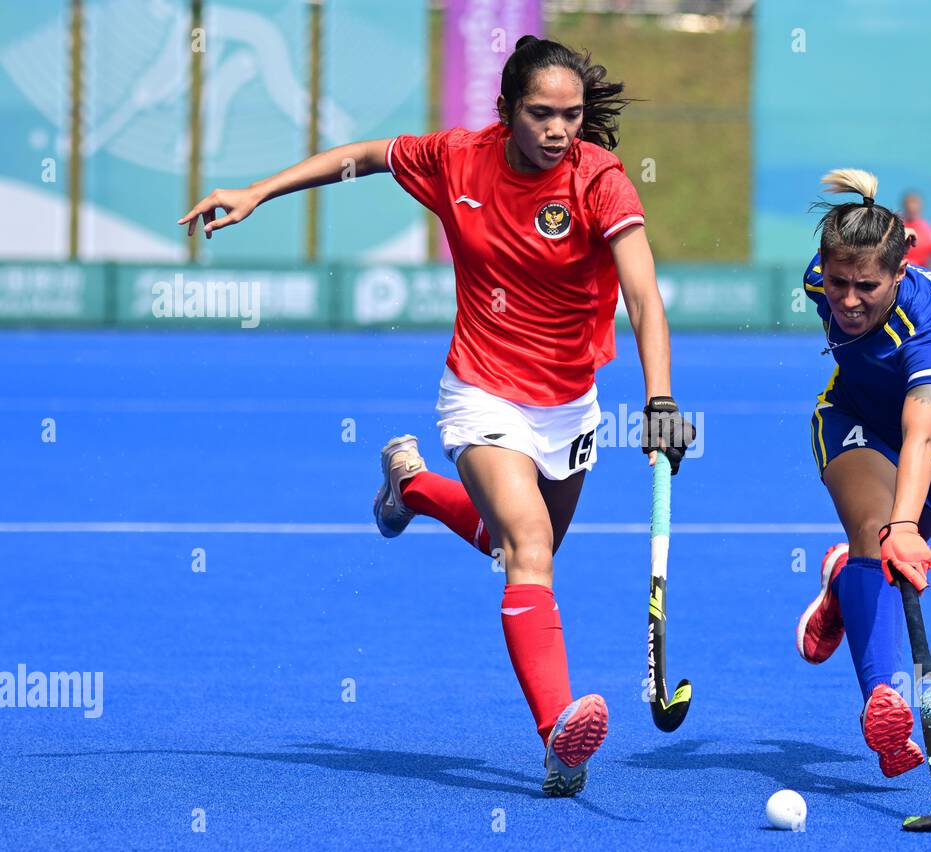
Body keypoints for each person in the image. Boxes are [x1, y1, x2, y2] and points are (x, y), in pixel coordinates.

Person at [178, 36, 694, 798]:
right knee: (528, 548)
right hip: (480, 391)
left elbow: (645, 296)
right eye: (541, 114)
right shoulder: (458, 160)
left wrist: (659, 399)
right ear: (505, 110)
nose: (559, 131)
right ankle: (559, 735)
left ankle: (410, 487)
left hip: (569, 403)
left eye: (572, 115)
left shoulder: (600, 181)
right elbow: (362, 157)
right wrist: (259, 191)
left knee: (514, 543)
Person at [794, 169, 931, 778]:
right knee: (875, 536)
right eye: (839, 282)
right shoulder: (819, 279)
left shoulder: (930, 331)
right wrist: (892, 527)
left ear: (900, 274)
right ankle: (882, 703)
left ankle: (840, 583)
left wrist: (907, 527)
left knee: (885, 555)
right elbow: (835, 283)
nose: (848, 301)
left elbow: (921, 435)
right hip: (853, 416)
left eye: (867, 287)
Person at [899, 191, 931, 269]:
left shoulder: (925, 226)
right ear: (905, 207)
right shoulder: (898, 225)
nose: (912, 209)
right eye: (910, 207)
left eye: (915, 207)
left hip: (922, 270)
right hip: (903, 270)